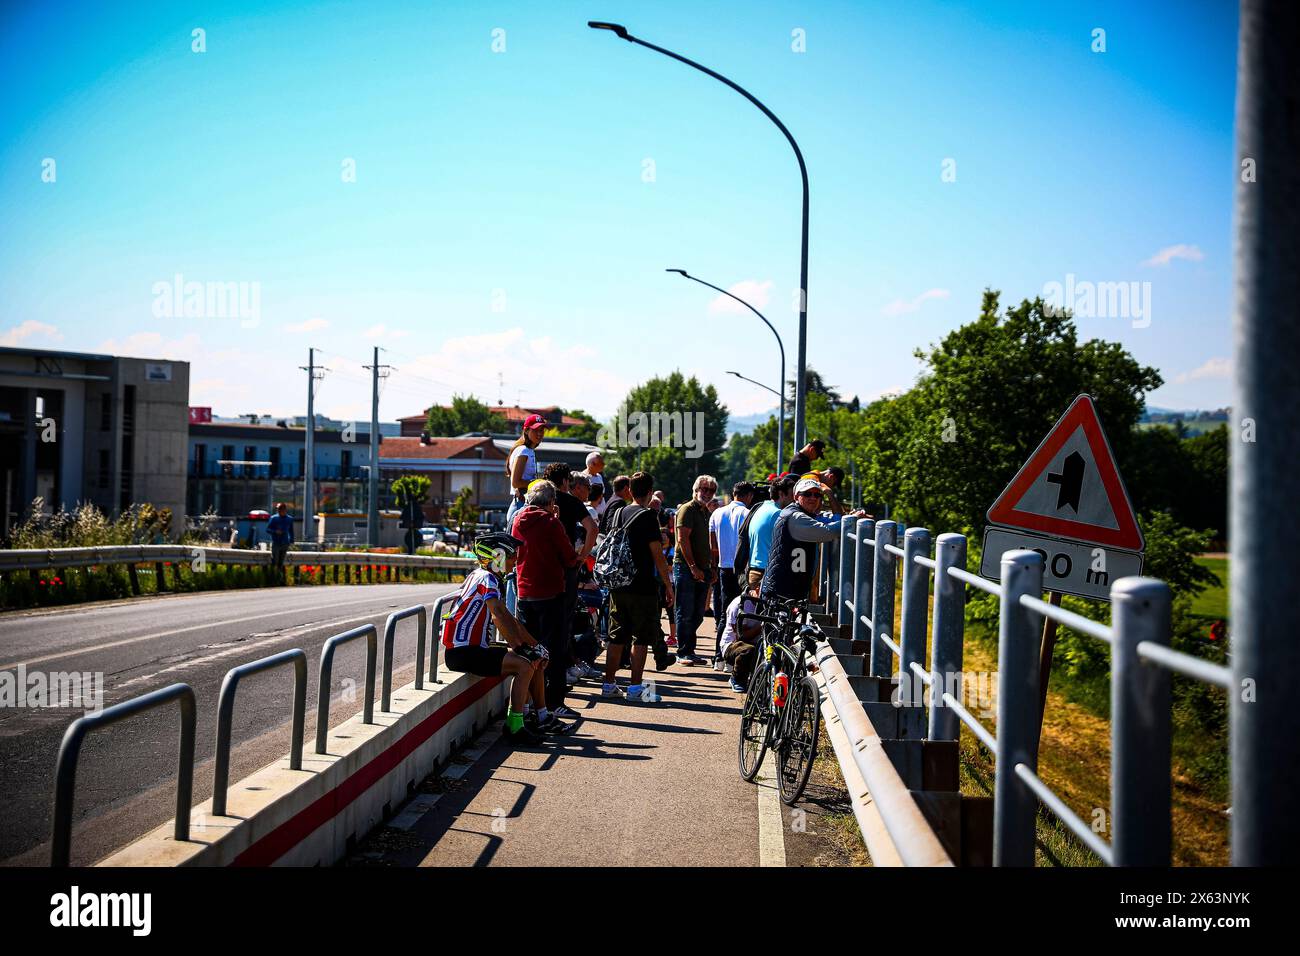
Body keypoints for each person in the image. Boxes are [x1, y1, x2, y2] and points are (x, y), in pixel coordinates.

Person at [440, 531, 554, 746]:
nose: (516, 560)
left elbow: (510, 618)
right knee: (525, 665)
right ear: (498, 556)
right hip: (464, 652)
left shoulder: (484, 576)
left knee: (535, 658)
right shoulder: (487, 578)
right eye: (512, 556)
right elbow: (498, 615)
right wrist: (520, 648)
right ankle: (514, 726)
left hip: (472, 648)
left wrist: (534, 645)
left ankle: (541, 715)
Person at [511, 480, 580, 722]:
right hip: (550, 593)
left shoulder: (517, 521)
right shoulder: (552, 523)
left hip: (524, 593)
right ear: (551, 502)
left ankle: (530, 705)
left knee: (529, 651)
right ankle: (554, 703)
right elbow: (570, 557)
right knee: (554, 651)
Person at [603, 471, 674, 702]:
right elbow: (657, 555)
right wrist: (668, 585)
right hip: (641, 585)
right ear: (650, 492)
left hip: (617, 584)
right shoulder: (648, 516)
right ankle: (635, 689)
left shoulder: (619, 513)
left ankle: (609, 683)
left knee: (616, 637)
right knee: (641, 637)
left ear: (630, 491)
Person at [762, 477, 866, 603]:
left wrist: (829, 494)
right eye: (807, 494)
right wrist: (851, 520)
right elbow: (830, 531)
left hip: (789, 589)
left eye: (817, 495)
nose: (813, 498)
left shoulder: (806, 516)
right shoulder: (797, 517)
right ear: (796, 496)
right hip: (782, 591)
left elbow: (837, 519)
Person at [672, 475, 718, 666]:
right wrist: (692, 567)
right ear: (696, 490)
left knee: (698, 612)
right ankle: (684, 652)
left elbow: (709, 544)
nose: (707, 493)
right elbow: (683, 539)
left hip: (703, 569)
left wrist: (711, 568)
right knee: (685, 610)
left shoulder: (705, 512)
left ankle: (689, 650)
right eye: (704, 489)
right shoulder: (687, 509)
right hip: (685, 567)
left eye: (711, 490)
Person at [503, 414, 547, 611]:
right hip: (520, 505)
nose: (540, 433)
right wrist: (539, 484)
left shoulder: (527, 450)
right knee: (517, 564)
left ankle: (514, 614)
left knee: (518, 563)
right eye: (536, 429)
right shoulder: (523, 451)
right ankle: (513, 615)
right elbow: (516, 482)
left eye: (542, 430)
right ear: (526, 430)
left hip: (520, 506)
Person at [709, 482, 754, 666]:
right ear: (749, 496)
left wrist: (714, 565)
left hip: (723, 567)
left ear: (733, 493)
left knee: (723, 613)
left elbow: (712, 546)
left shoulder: (717, 513)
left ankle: (718, 656)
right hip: (742, 569)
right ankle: (731, 656)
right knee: (741, 613)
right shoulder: (748, 514)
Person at [745, 473, 797, 590]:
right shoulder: (778, 514)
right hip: (767, 574)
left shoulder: (761, 508)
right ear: (781, 494)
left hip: (754, 571)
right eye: (792, 495)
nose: (794, 500)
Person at [720, 585, 763, 692]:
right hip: (732, 645)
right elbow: (741, 636)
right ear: (757, 588)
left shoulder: (767, 604)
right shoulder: (739, 604)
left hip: (757, 643)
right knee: (748, 650)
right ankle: (736, 678)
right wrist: (762, 626)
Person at [266, 502, 294, 584]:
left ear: (285, 510)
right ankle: (272, 578)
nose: (279, 511)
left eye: (281, 509)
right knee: (275, 560)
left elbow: (291, 531)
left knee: (281, 562)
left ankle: (281, 579)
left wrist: (291, 540)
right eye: (278, 509)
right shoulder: (274, 518)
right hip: (276, 542)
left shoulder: (289, 519)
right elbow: (268, 529)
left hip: (285, 543)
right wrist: (275, 531)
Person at [584, 452, 609, 518]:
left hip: (601, 514)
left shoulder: (599, 476)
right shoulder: (583, 477)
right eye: (601, 463)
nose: (604, 465)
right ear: (593, 464)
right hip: (591, 513)